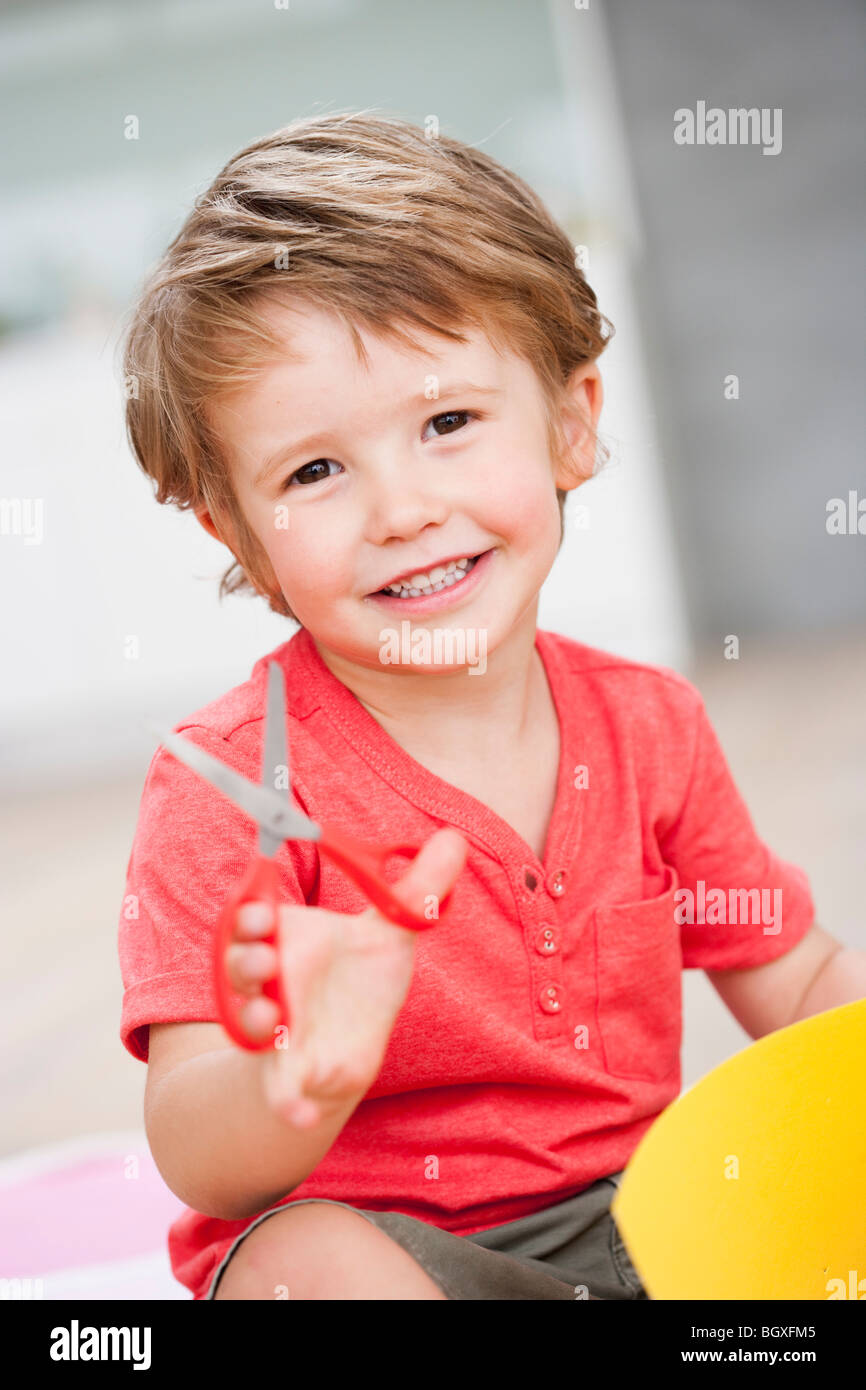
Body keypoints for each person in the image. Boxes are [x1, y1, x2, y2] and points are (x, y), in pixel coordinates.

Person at [117, 111, 832, 1301]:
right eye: (315, 471)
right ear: (237, 527)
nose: (400, 509)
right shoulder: (232, 783)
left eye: (447, 423)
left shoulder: (649, 724)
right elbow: (195, 1149)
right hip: (395, 1258)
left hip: (647, 1228)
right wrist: (295, 1076)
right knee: (303, 1266)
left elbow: (798, 986)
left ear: (569, 421)